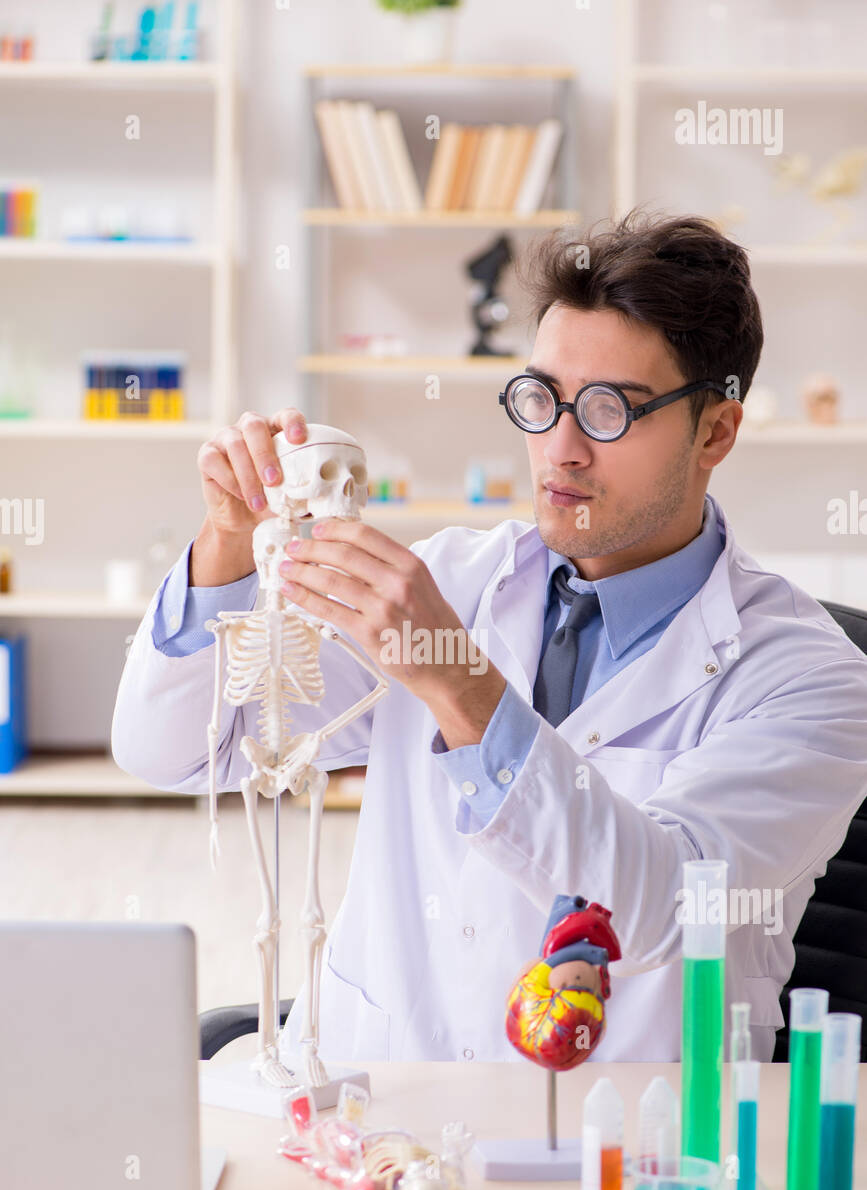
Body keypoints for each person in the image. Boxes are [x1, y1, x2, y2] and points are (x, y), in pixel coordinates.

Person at [112, 211, 867, 1065]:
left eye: (610, 409)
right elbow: (172, 751)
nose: (560, 449)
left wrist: (457, 683)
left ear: (715, 432)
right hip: (387, 1110)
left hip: (625, 1142)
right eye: (541, 400)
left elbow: (665, 904)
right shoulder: (454, 582)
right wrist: (223, 544)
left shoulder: (811, 679)